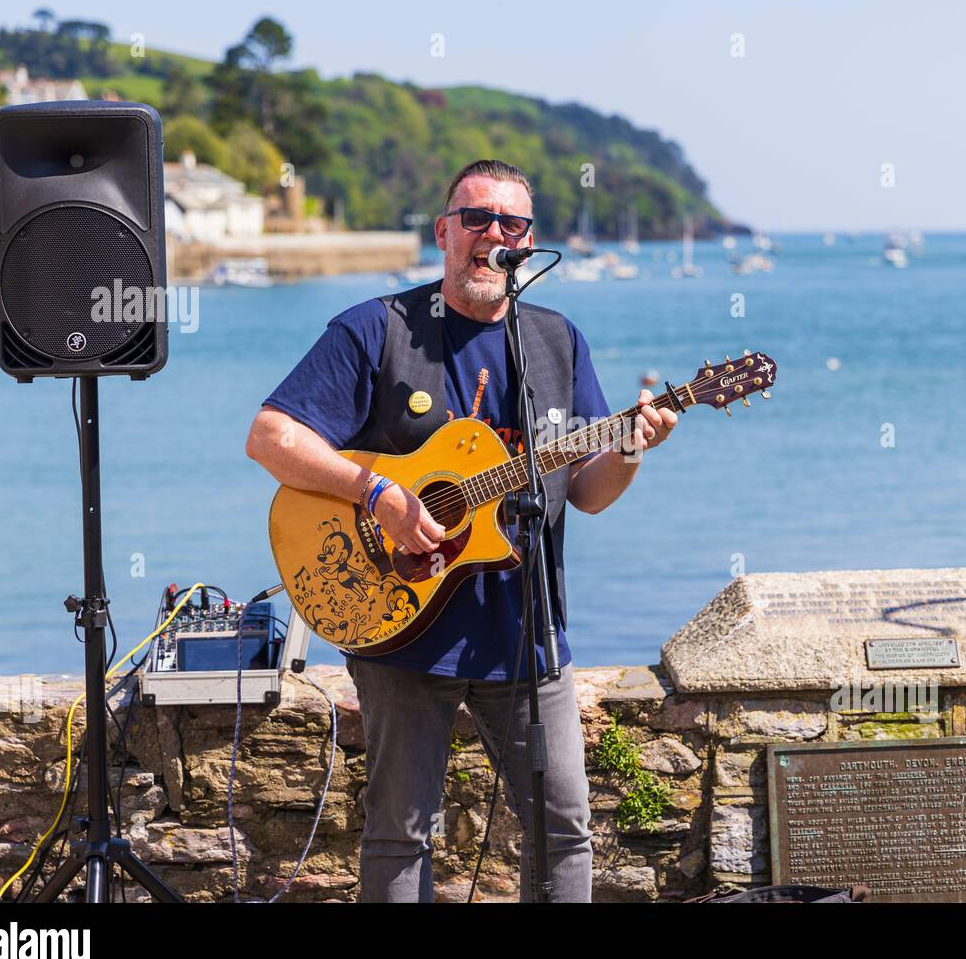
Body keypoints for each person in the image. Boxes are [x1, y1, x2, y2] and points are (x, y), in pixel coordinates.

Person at [245, 159, 679, 902]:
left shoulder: (555, 341)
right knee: (399, 832)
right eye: (476, 219)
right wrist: (377, 493)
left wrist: (633, 446)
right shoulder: (377, 329)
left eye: (510, 224)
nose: (492, 236)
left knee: (564, 828)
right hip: (402, 632)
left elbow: (590, 493)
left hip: (526, 632)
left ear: (529, 241)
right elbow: (270, 435)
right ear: (444, 232)